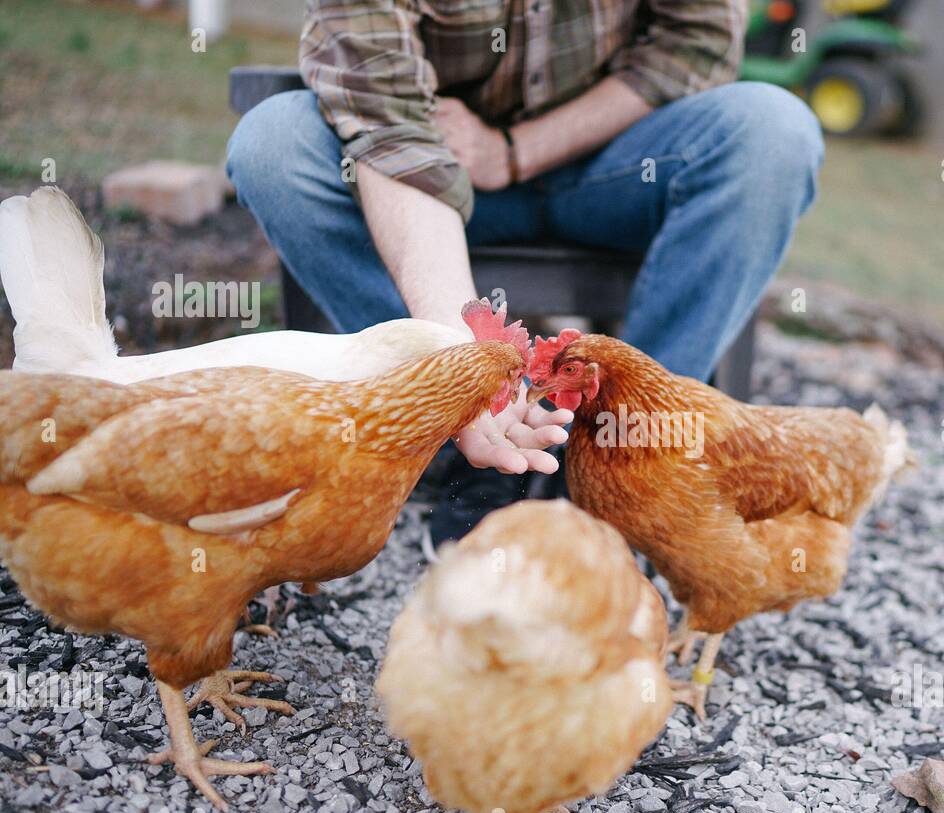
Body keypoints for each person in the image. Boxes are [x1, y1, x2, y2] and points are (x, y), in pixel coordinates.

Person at [226, 0, 823, 543]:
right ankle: (447, 431)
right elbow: (387, 127)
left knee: (772, 132)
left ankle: (619, 456)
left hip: (614, 170)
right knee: (273, 144)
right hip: (427, 176)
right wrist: (466, 377)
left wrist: (515, 150)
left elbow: (693, 46)